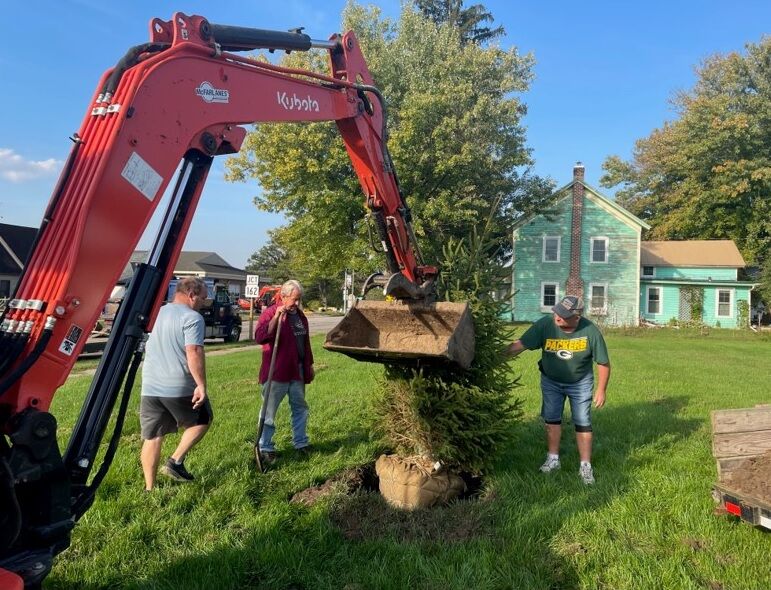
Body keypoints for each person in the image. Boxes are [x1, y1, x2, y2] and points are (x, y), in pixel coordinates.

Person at [507, 295, 610, 485]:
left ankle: (585, 465)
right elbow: (520, 345)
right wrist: (494, 356)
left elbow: (603, 362)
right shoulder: (545, 324)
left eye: (563, 315)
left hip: (580, 382)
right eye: (557, 312)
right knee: (552, 419)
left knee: (583, 421)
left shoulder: (590, 330)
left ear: (577, 317)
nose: (557, 317)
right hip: (551, 381)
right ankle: (553, 459)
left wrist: (601, 390)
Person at [139, 276, 213, 491]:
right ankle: (175, 462)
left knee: (153, 436)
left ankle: (149, 488)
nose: (203, 303)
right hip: (177, 385)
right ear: (191, 294)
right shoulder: (192, 318)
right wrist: (200, 385)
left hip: (150, 385)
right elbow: (194, 350)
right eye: (202, 298)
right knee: (203, 420)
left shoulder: (157, 313)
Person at [254, 279, 315, 463]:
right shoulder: (271, 313)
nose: (296, 303)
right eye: (294, 299)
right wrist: (275, 319)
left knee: (300, 408)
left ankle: (301, 443)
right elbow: (260, 337)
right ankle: (265, 447)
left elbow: (305, 343)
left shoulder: (300, 316)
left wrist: (309, 365)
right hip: (277, 372)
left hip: (297, 371)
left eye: (299, 299)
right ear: (283, 296)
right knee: (269, 412)